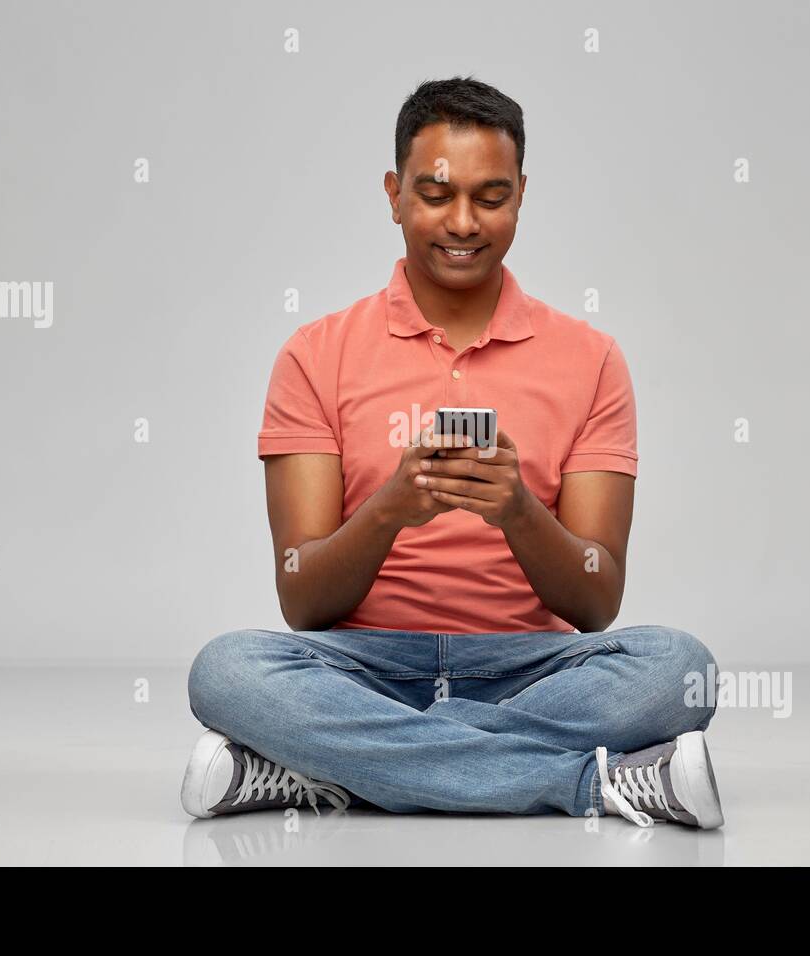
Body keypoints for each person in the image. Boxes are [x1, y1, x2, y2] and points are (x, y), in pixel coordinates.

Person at [182, 76, 724, 829]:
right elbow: (303, 601)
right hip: (363, 671)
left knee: (680, 668)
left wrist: (518, 513)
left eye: (491, 197)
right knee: (227, 671)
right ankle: (590, 786)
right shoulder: (316, 356)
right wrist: (391, 512)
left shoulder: (591, 359)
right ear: (394, 193)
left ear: (522, 195)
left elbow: (596, 604)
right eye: (436, 195)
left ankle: (320, 769)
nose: (463, 222)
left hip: (530, 670)